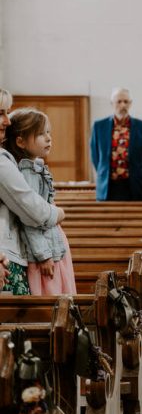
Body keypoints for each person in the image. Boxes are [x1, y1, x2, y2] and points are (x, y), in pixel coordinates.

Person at [6, 108, 76, 295]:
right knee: (51, 295)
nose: (48, 138)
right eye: (40, 134)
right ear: (20, 141)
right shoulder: (27, 172)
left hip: (51, 242)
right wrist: (43, 255)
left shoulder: (35, 167)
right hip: (44, 250)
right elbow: (30, 220)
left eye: (48, 132)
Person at [90, 88, 142, 201]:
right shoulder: (99, 127)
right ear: (112, 103)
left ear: (130, 103)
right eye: (119, 101)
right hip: (107, 186)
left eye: (126, 101)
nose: (123, 105)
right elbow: (95, 156)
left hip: (133, 185)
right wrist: (103, 172)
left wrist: (141, 176)